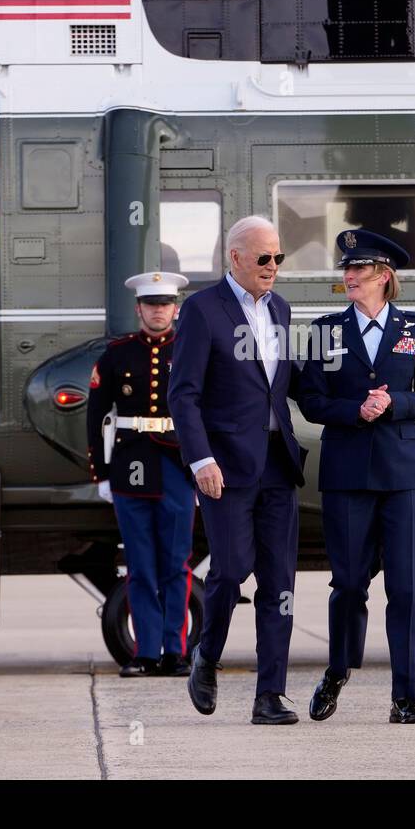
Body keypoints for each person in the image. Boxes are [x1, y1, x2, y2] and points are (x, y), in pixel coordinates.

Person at [298, 229, 415, 724]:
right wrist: (354, 409)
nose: (350, 278)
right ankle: (337, 669)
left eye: (359, 270)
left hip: (401, 473)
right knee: (348, 584)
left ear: (384, 276)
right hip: (347, 473)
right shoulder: (326, 331)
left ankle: (405, 695)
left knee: (407, 588)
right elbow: (311, 398)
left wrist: (394, 404)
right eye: (346, 270)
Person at [168, 215, 306, 725]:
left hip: (277, 463)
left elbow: (285, 385)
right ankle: (207, 654)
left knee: (279, 583)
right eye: (264, 258)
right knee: (230, 570)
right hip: (224, 467)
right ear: (236, 258)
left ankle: (270, 695)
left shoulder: (281, 310)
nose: (273, 267)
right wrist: (201, 458)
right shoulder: (203, 311)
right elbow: (183, 394)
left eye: (279, 258)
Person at [86, 271, 195, 678]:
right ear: (139, 309)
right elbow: (96, 414)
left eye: (164, 304)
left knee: (176, 563)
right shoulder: (117, 354)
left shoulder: (189, 351)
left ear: (175, 308)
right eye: (151, 305)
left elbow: (206, 413)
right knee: (141, 565)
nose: (158, 311)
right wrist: (100, 472)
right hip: (130, 464)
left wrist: (204, 467)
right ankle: (145, 653)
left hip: (177, 464)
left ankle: (175, 652)